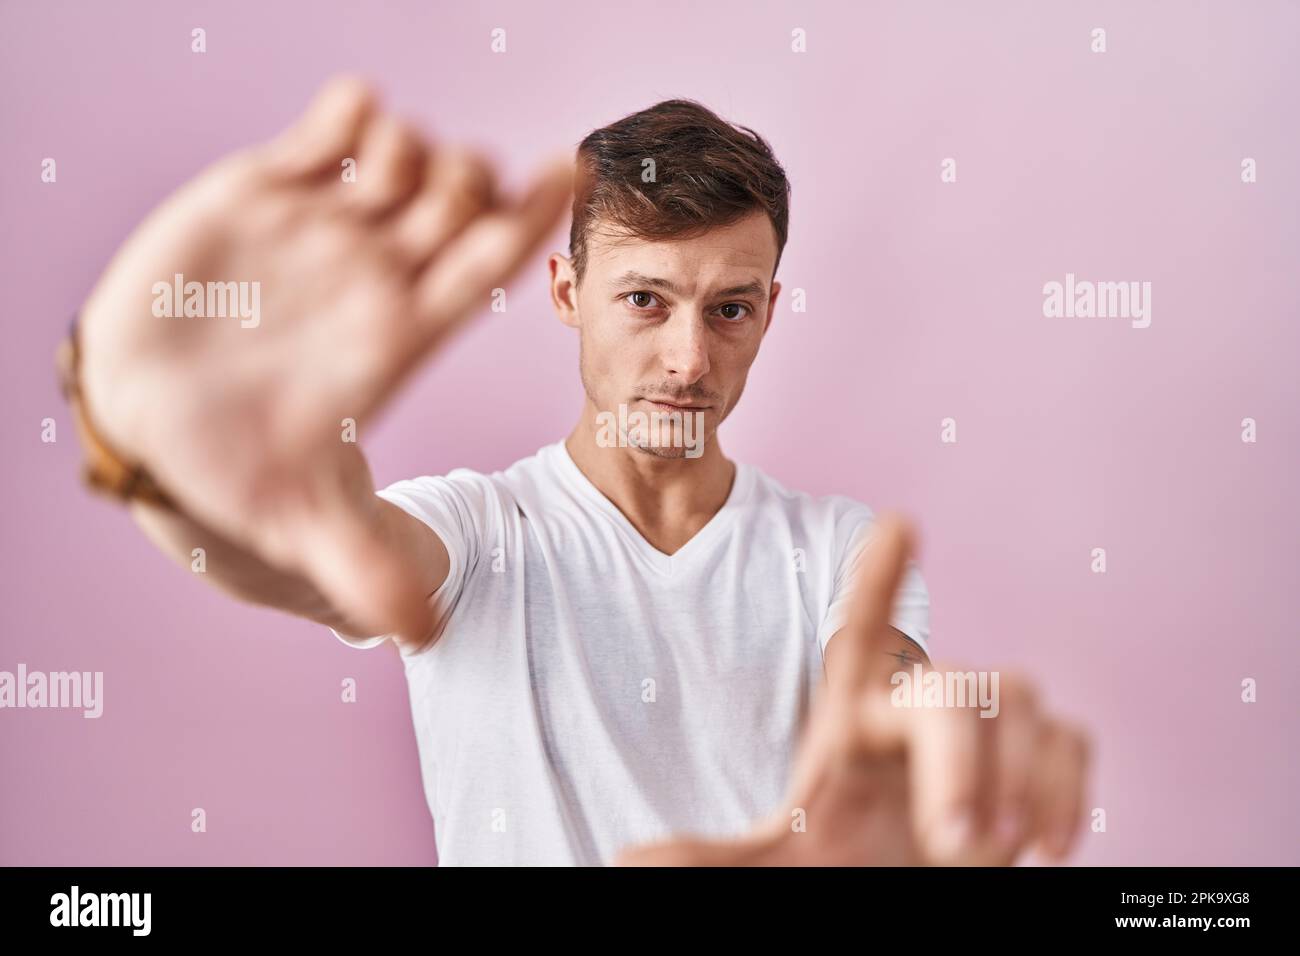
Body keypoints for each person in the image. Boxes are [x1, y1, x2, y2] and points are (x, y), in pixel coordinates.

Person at [64, 76, 1090, 866]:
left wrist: (919, 772)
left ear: (770, 311)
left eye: (729, 308)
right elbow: (311, 557)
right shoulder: (479, 531)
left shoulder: (837, 550)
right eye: (646, 299)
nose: (689, 358)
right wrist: (147, 456)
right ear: (565, 290)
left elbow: (886, 703)